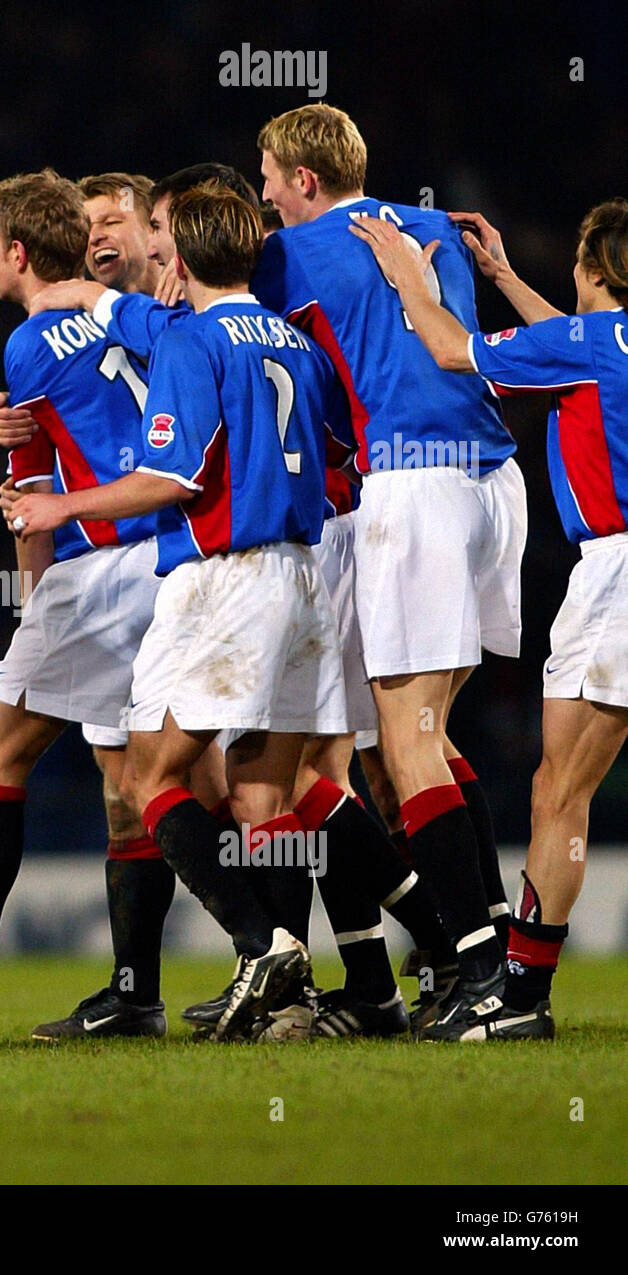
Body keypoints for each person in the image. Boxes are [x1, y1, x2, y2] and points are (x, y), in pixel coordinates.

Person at [7, 185, 353, 1041]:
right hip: (306, 571)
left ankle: (261, 945)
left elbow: (173, 476)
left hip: (225, 574)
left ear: (185, 259)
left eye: (158, 234)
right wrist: (98, 296)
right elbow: (341, 448)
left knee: (149, 777)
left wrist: (60, 506)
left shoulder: (195, 342)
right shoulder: (292, 339)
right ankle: (304, 1000)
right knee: (267, 789)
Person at [254, 103, 525, 1034]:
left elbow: (220, 302)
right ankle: (488, 943)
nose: (261, 194)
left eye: (268, 177)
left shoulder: (291, 254)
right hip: (496, 475)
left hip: (413, 483)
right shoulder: (436, 223)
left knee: (400, 741)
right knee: (433, 735)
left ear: (305, 181)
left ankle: (480, 974)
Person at [0, 170, 170, 1042]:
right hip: (179, 560)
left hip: (98, 568)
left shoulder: (31, 344)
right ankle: (139, 993)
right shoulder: (144, 319)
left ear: (18, 254)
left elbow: (33, 496)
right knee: (131, 787)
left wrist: (32, 606)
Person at [351, 199, 628, 1039]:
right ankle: (517, 985)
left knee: (560, 790)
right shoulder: (600, 347)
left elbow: (447, 348)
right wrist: (504, 277)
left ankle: (521, 993)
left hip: (617, 576)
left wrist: (410, 276)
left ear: (589, 272)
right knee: (562, 787)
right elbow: (570, 351)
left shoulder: (584, 346)